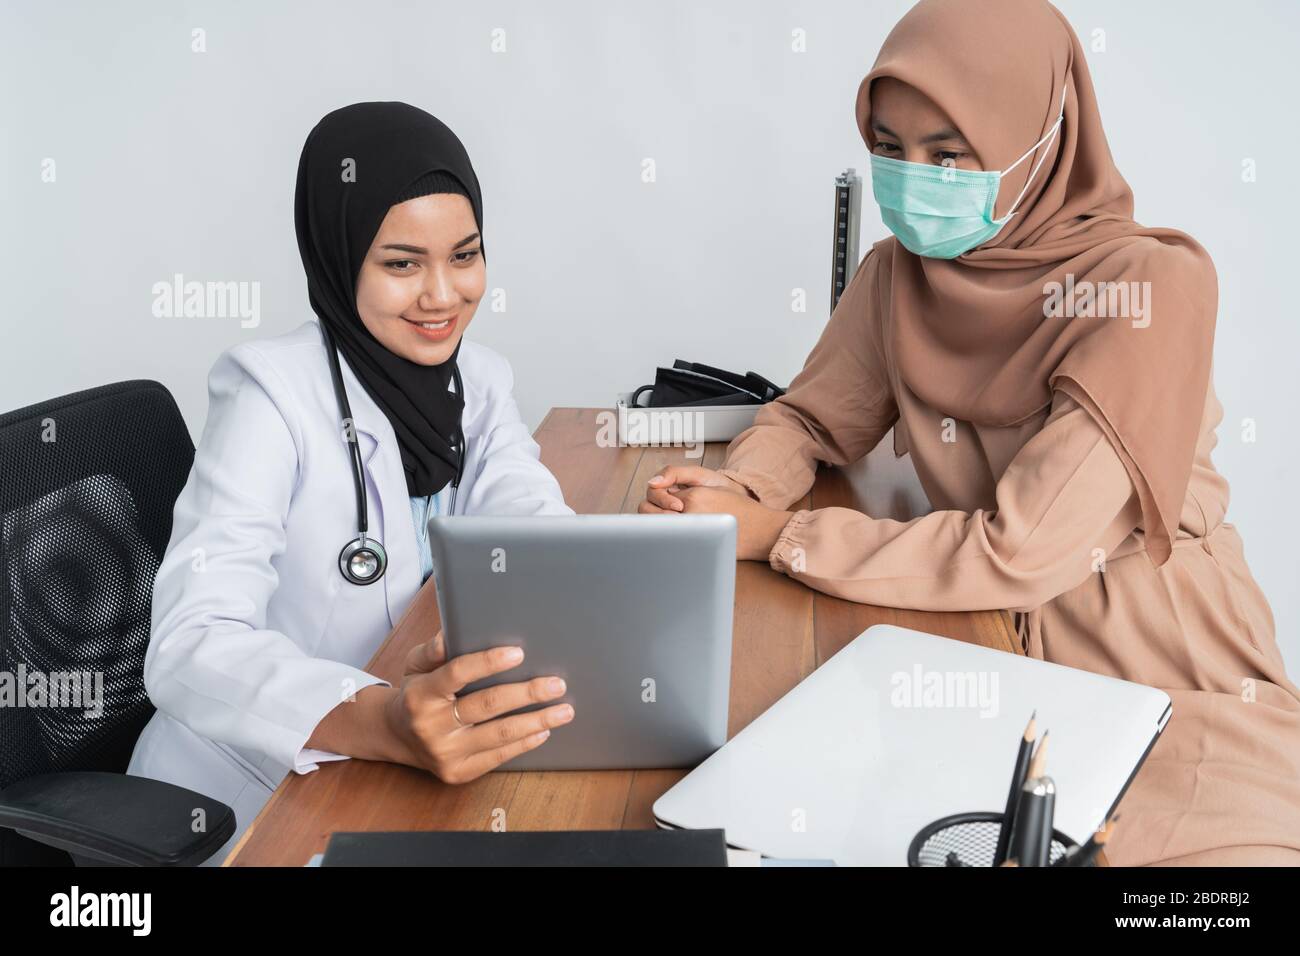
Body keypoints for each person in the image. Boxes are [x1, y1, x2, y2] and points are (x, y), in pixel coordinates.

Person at [640, 0, 1300, 866]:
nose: (914, 178)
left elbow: (1022, 551)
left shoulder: (1149, 290)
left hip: (1159, 663)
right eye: (889, 147)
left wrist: (782, 536)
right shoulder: (895, 278)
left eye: (948, 153)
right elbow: (808, 415)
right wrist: (743, 490)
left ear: (1039, 138)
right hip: (981, 641)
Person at [128, 102, 576, 864]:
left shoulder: (478, 379)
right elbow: (189, 644)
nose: (443, 295)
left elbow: (524, 508)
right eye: (402, 263)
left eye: (465, 256)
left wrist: (583, 585)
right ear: (338, 257)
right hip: (249, 790)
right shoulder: (269, 394)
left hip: (406, 760)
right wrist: (384, 719)